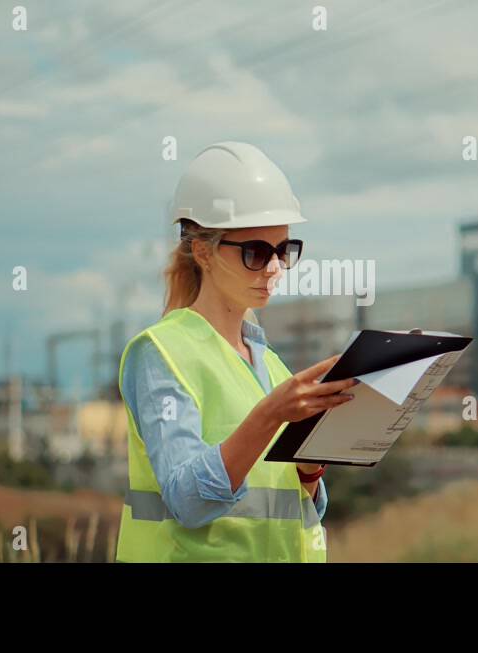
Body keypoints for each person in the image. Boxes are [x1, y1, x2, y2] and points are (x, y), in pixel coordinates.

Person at [115, 142, 359, 562]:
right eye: (255, 253)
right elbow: (187, 501)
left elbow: (295, 509)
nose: (273, 268)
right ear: (203, 251)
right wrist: (269, 416)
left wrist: (310, 469)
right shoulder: (160, 355)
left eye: (283, 251)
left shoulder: (273, 368)